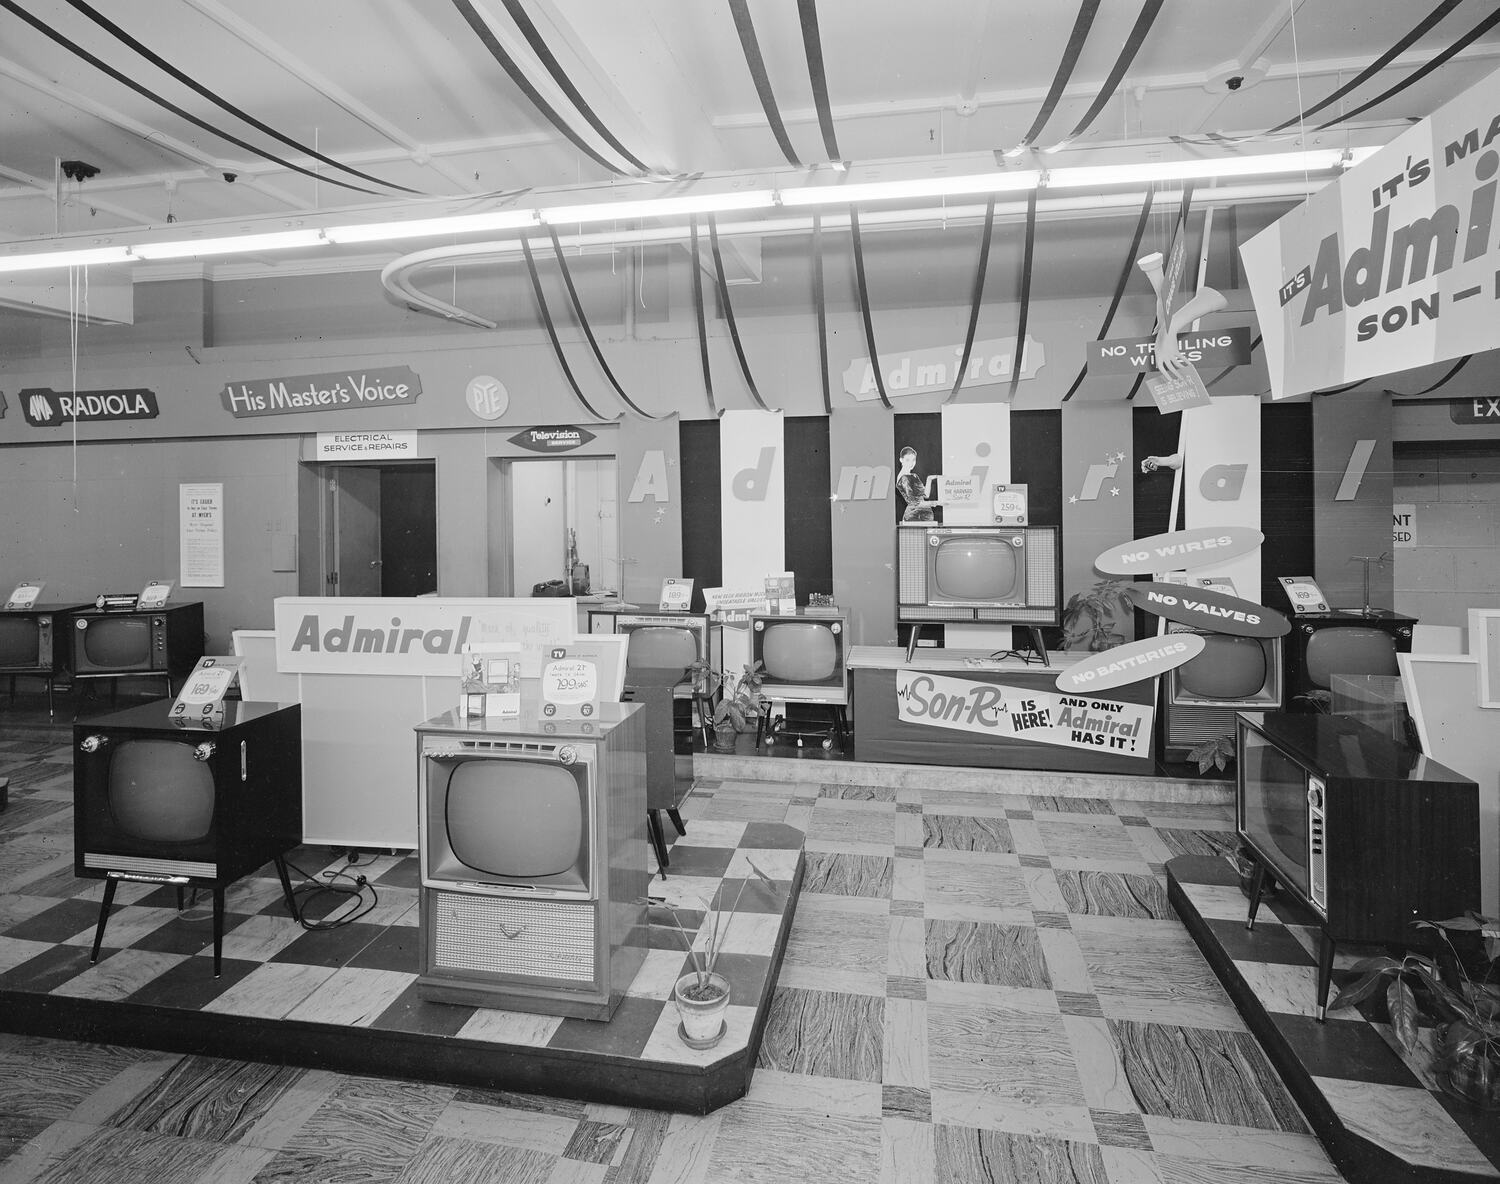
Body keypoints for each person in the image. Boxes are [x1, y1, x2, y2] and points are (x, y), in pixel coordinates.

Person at [896, 446, 937, 522]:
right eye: (908, 460)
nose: (911, 463)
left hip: (926, 516)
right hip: (914, 516)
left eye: (913, 460)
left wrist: (929, 479)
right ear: (901, 460)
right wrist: (935, 503)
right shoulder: (903, 478)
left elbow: (926, 495)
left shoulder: (914, 476)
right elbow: (914, 503)